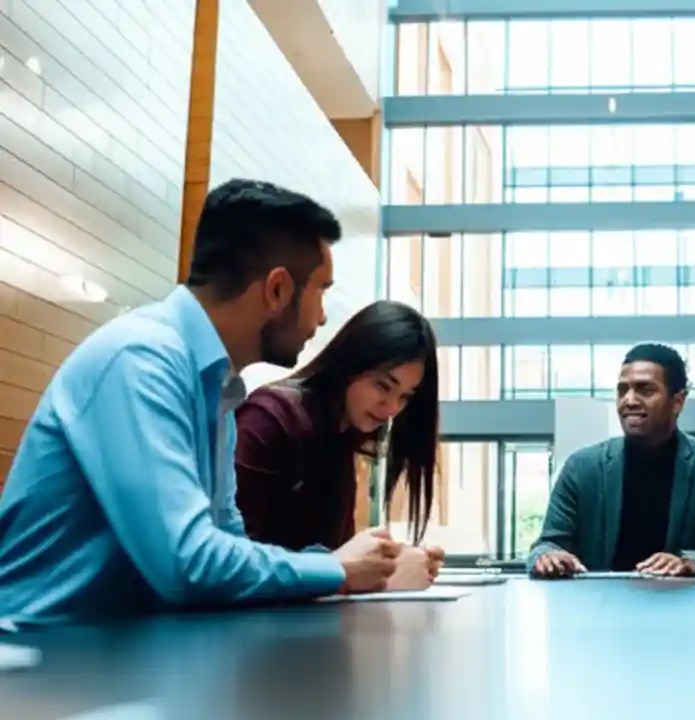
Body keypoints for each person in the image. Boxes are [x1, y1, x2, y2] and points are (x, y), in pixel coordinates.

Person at [0, 179, 403, 628]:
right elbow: (185, 562)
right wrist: (335, 570)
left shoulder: (216, 388)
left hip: (117, 654)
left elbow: (224, 544)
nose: (323, 316)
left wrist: (335, 565)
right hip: (35, 660)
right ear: (277, 290)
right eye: (322, 291)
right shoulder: (140, 360)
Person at [235, 300, 445, 590]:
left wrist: (384, 567)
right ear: (351, 362)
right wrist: (344, 571)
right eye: (383, 386)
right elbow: (233, 564)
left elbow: (335, 561)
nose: (392, 408)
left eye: (405, 396)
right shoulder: (269, 420)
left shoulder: (341, 438)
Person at [528, 344, 695, 578]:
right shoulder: (581, 466)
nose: (629, 400)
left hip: (685, 606)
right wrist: (548, 557)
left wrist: (692, 562)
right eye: (622, 390)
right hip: (599, 607)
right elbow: (546, 545)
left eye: (645, 390)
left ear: (678, 401)